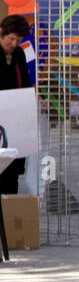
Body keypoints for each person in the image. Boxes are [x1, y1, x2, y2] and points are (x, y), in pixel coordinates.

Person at [1, 15, 32, 195]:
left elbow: (25, 83)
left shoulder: (19, 53)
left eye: (18, 40)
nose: (14, 44)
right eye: (11, 39)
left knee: (12, 173)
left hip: (14, 122)